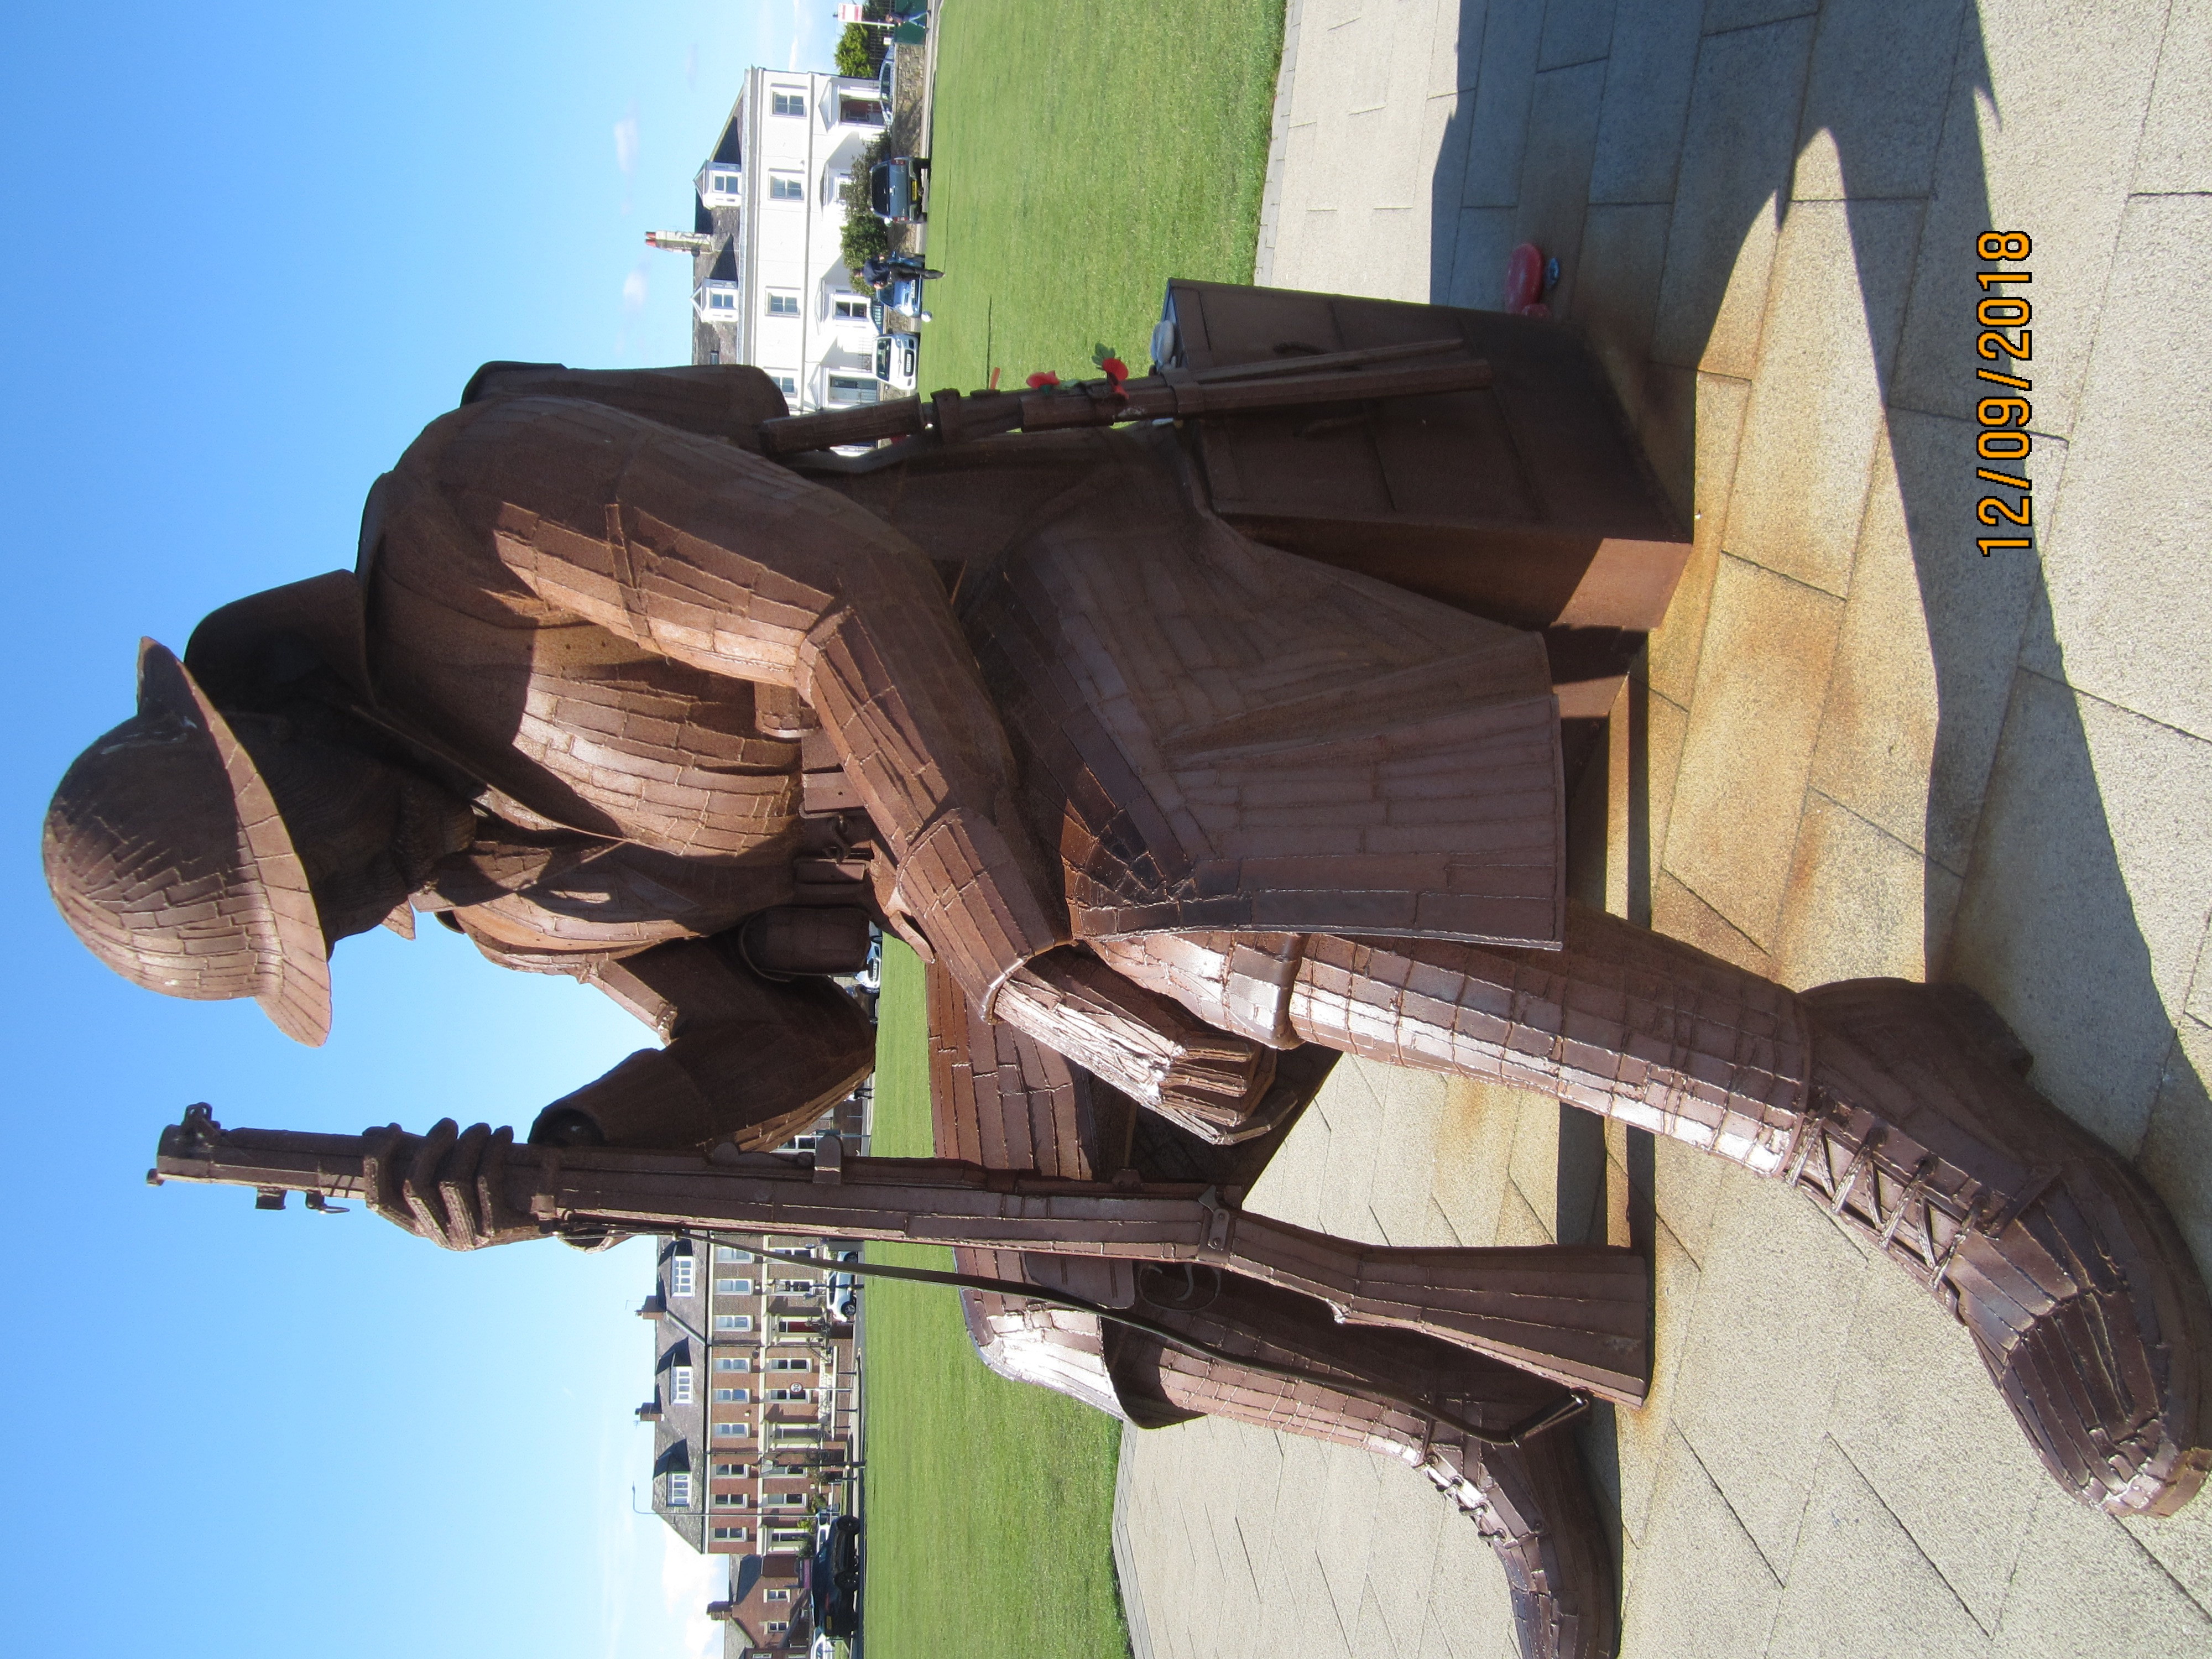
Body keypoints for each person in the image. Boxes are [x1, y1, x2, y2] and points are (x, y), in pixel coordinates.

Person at [43, 362, 2212, 1611]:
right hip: (1001, 863)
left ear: (281, 726)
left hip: (1071, 593)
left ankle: (1888, 1119)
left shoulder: (467, 521)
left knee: (1162, 919)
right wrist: (573, 1164)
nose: (368, 905)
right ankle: (1478, 1410)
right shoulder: (509, 901)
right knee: (1032, 1300)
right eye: (322, 926)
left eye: (311, 869)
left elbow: (838, 604)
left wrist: (1013, 949)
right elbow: (784, 1035)